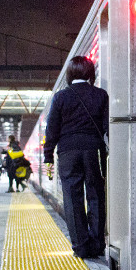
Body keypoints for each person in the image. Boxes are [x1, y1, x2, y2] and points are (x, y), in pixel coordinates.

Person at [43, 55, 108, 259]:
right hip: (93, 151)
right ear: (90, 72)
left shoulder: (61, 97)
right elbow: (107, 128)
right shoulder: (101, 95)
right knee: (96, 195)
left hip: (68, 152)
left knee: (72, 198)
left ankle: (80, 247)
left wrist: (48, 157)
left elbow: (51, 129)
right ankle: (97, 244)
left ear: (70, 74)